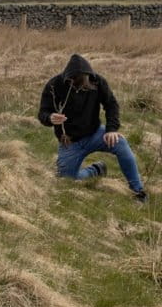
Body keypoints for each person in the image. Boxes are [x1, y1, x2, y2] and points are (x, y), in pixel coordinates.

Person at [38, 54, 147, 203]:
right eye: (76, 84)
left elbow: (111, 104)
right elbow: (42, 112)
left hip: (95, 134)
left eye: (84, 83)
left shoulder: (98, 82)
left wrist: (111, 129)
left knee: (121, 144)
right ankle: (95, 170)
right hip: (70, 142)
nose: (81, 87)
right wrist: (49, 118)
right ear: (69, 79)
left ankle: (138, 191)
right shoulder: (54, 86)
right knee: (65, 179)